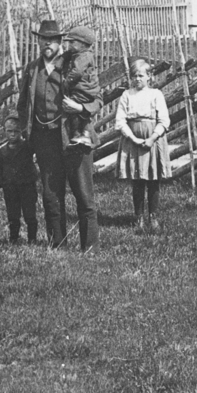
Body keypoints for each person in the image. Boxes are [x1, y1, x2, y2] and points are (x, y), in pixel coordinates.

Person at [15, 18, 103, 251]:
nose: (48, 43)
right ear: (38, 41)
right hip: (44, 140)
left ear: (60, 42)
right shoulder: (32, 69)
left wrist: (80, 108)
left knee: (83, 194)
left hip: (74, 136)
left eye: (53, 39)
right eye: (44, 39)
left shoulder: (76, 63)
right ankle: (58, 245)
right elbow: (23, 105)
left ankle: (90, 248)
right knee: (51, 195)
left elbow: (97, 98)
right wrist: (25, 131)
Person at [114, 57, 172, 234]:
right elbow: (120, 121)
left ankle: (153, 217)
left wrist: (152, 138)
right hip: (133, 139)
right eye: (135, 76)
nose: (137, 79)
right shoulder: (127, 95)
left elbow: (164, 120)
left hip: (153, 138)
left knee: (153, 179)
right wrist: (133, 138)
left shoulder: (156, 94)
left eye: (141, 75)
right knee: (138, 180)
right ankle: (138, 217)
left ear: (149, 77)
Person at [0, 116, 39, 245]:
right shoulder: (2, 151)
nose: (12, 134)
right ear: (4, 131)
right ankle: (13, 239)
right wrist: (1, 182)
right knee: (13, 215)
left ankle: (32, 239)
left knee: (30, 214)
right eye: (9, 131)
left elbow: (35, 146)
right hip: (10, 188)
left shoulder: (27, 147)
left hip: (27, 186)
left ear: (21, 131)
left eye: (16, 131)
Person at [60, 25, 101, 152]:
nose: (69, 45)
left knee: (76, 112)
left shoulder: (83, 57)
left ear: (83, 44)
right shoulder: (77, 55)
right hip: (83, 90)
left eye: (73, 42)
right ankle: (80, 135)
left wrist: (66, 82)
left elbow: (77, 72)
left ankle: (83, 135)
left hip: (83, 91)